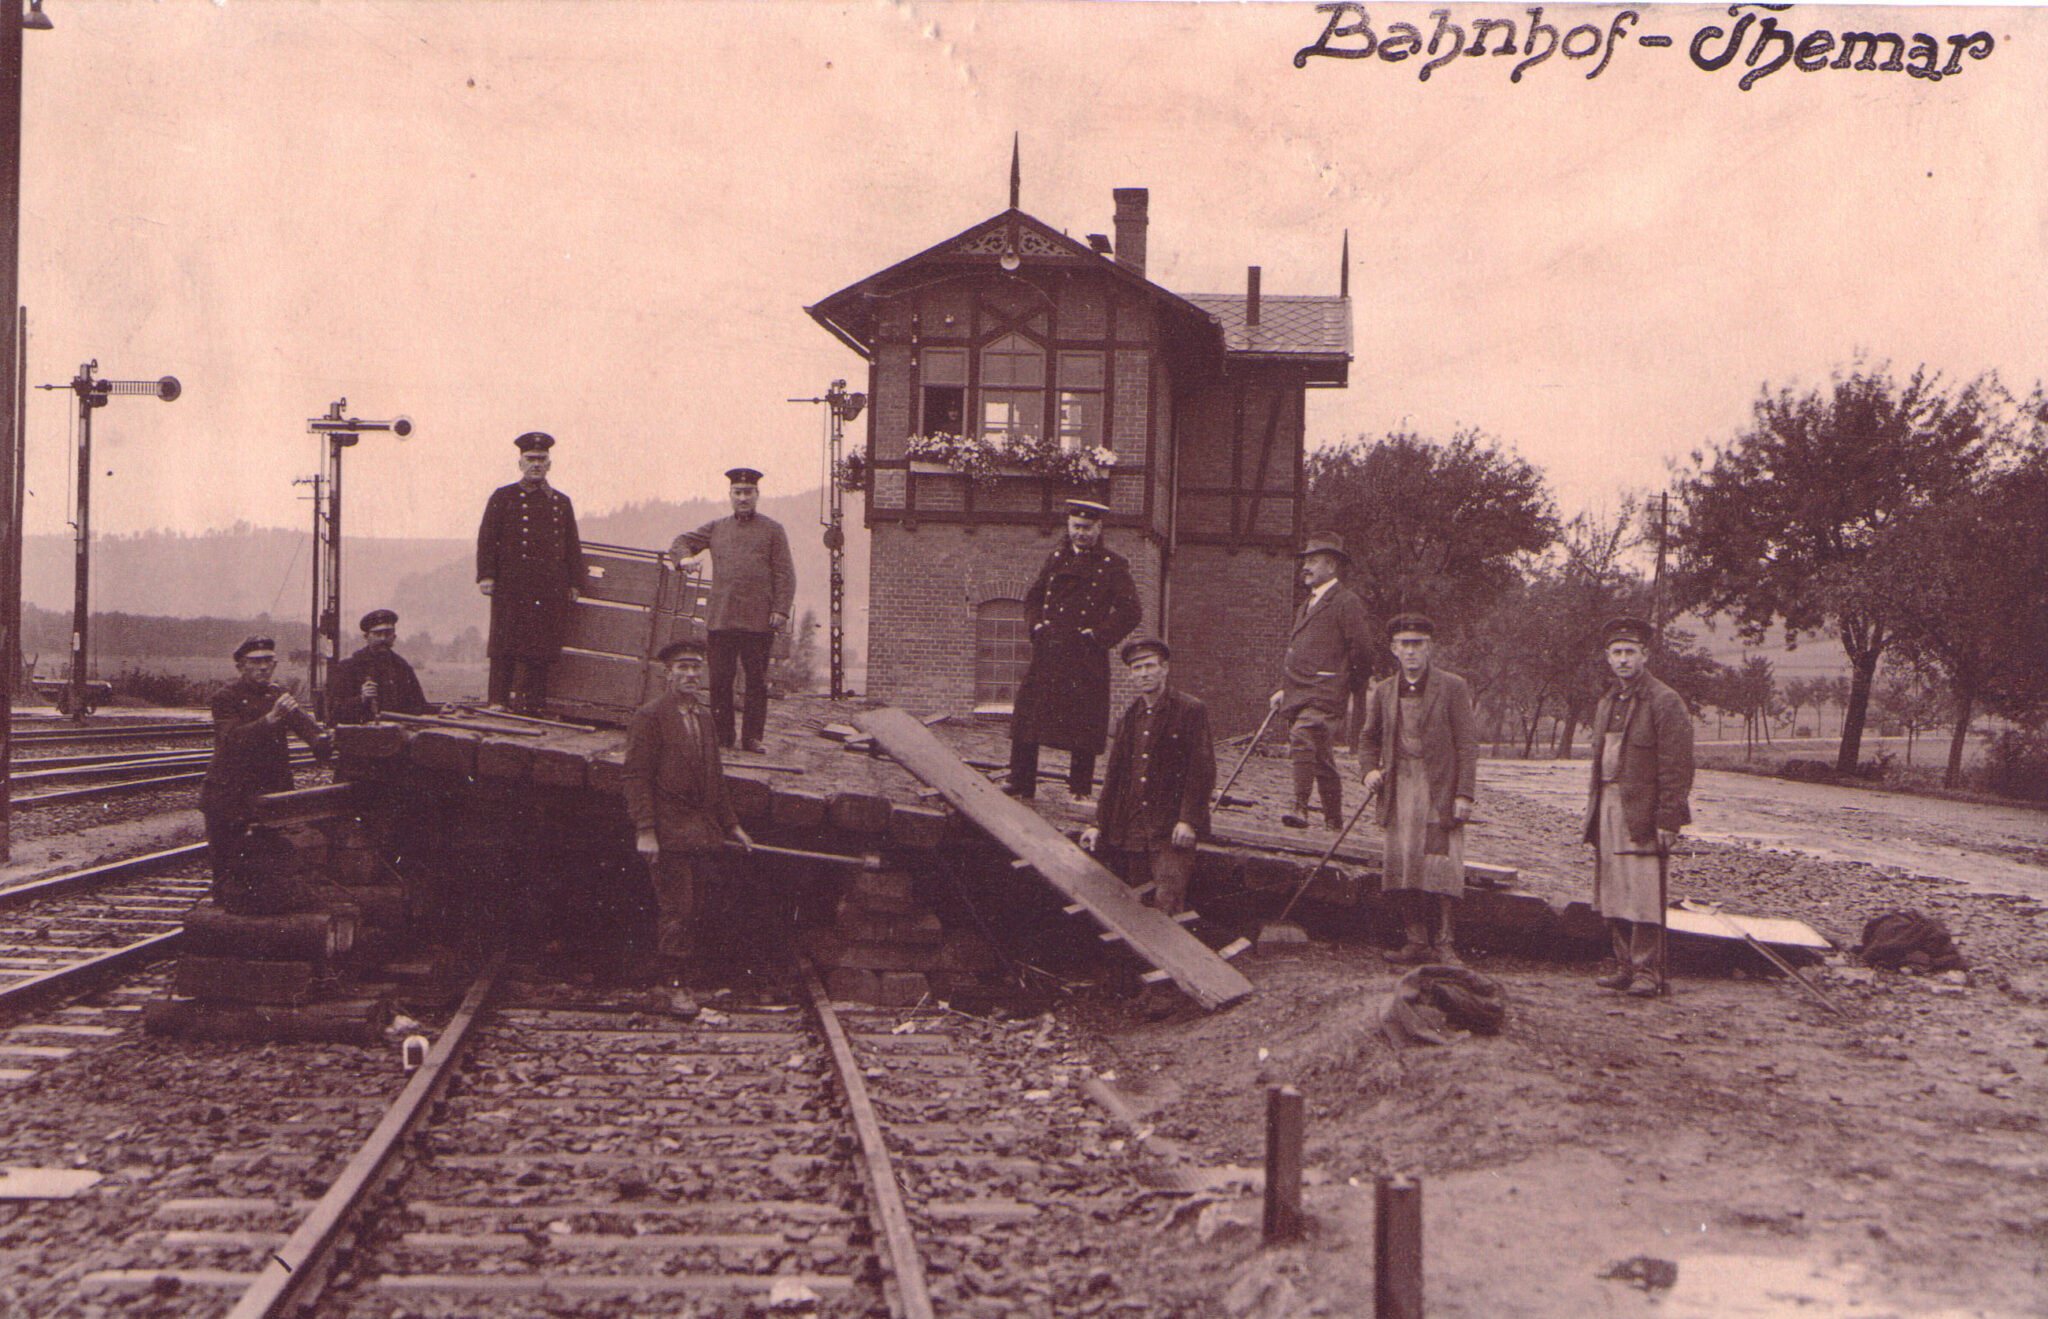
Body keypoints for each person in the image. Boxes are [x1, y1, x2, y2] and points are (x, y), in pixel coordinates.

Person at [622, 637, 755, 1018]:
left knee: (696, 908)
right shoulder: (650, 716)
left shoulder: (705, 717)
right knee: (676, 909)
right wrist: (645, 830)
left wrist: (733, 825)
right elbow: (635, 777)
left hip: (701, 831)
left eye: (696, 667)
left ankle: (684, 980)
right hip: (667, 832)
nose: (691, 674)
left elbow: (716, 778)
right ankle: (672, 987)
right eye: (682, 667)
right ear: (668, 674)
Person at [1582, 615, 1695, 998]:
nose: (1624, 660)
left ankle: (1649, 971)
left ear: (1645, 655)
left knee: (1644, 892)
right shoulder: (1608, 701)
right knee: (1613, 888)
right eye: (1617, 653)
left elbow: (1677, 766)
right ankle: (1623, 964)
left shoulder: (1665, 701)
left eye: (1631, 652)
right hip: (1608, 804)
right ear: (1607, 658)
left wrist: (1668, 819)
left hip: (1643, 811)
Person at [1358, 614, 1478, 964]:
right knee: (1403, 864)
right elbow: (1368, 739)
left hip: (1439, 787)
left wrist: (1464, 794)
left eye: (1418, 644)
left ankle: (1444, 944)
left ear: (1430, 648)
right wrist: (1368, 771)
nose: (1411, 651)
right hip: (1399, 788)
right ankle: (1416, 941)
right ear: (1394, 649)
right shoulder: (1383, 691)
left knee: (1441, 864)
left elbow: (1468, 744)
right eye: (1404, 644)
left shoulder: (1452, 687)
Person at [1009, 498, 1142, 801]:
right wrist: (1037, 627)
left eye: (1086, 528)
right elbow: (1032, 598)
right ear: (1068, 527)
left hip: (1085, 654)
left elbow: (1131, 611)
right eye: (1075, 527)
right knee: (1027, 717)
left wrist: (1099, 636)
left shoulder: (1113, 565)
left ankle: (1079, 789)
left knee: (1083, 723)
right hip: (1049, 650)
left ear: (1099, 528)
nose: (1080, 534)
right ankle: (1020, 782)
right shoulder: (1056, 558)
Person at [1081, 638, 1216, 917]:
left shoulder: (1189, 710)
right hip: (1133, 829)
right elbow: (1115, 777)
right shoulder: (1130, 717)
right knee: (1136, 908)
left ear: (1164, 669)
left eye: (1149, 666)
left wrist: (1188, 820)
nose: (1143, 673)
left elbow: (1201, 770)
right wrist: (1098, 823)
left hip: (1170, 830)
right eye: (1137, 668)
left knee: (1167, 904)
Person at [198, 636, 332, 912]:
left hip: (268, 795)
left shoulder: (276, 694)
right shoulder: (226, 697)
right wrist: (270, 720)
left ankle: (260, 926)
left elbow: (308, 731)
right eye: (255, 662)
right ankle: (219, 929)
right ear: (240, 666)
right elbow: (231, 739)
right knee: (227, 870)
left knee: (265, 864)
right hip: (229, 795)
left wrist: (325, 741)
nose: (263, 668)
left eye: (268, 662)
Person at [668, 467, 796, 752]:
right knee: (720, 681)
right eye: (737, 493)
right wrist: (685, 559)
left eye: (748, 492)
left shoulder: (773, 530)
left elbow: (785, 574)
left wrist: (781, 610)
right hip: (722, 620)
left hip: (758, 621)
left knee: (756, 683)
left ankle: (752, 738)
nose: (743, 498)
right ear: (729, 495)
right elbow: (681, 542)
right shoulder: (716, 528)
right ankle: (722, 737)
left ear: (757, 495)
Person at [1270, 532, 1373, 830]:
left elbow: (1363, 650)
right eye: (1305, 561)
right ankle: (1333, 820)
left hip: (1326, 692)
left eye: (1312, 561)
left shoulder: (1346, 602)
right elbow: (1297, 653)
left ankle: (1299, 807)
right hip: (1298, 690)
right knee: (1321, 757)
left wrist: (1345, 682)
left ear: (1331, 565)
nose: (1305, 567)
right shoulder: (1306, 605)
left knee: (1303, 736)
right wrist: (1283, 689)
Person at [477, 431, 582, 714]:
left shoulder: (561, 502)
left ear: (549, 464)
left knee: (541, 645)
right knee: (504, 642)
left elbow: (572, 545)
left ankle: (533, 705)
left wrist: (574, 583)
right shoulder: (504, 497)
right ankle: (498, 701)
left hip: (548, 586)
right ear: (520, 463)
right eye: (530, 459)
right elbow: (487, 537)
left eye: (541, 459)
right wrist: (486, 575)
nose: (536, 464)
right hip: (511, 584)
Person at [328, 608, 432, 723]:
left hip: (398, 734)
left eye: (388, 633)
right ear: (366, 637)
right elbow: (333, 714)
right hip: (361, 736)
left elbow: (419, 706)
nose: (383, 638)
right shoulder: (349, 667)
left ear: (394, 637)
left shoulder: (402, 667)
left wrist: (441, 710)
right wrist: (361, 699)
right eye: (377, 634)